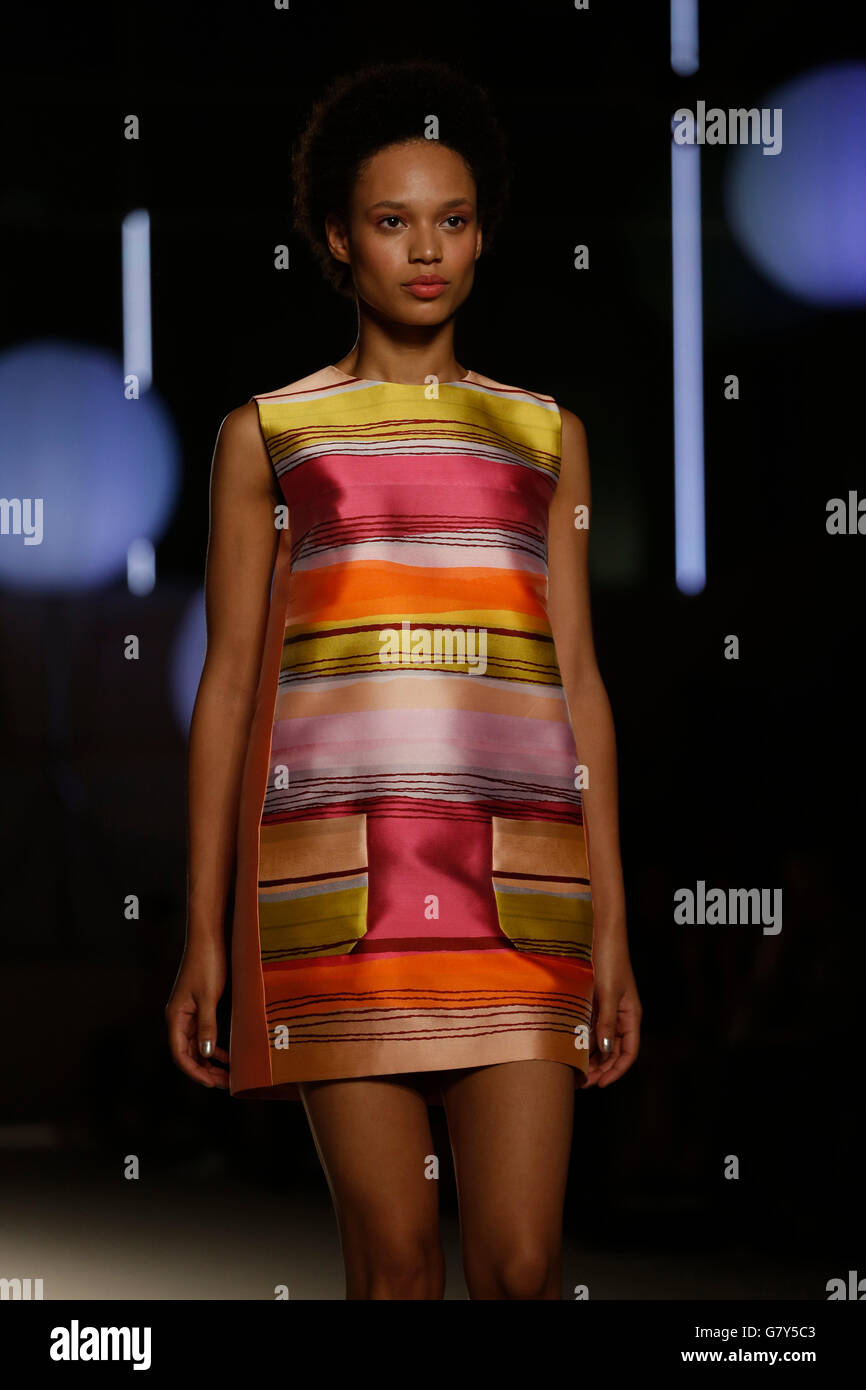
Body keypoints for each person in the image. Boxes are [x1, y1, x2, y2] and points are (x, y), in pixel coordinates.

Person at [167, 59, 641, 1300]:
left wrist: (616, 934)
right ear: (337, 238)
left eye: (451, 218)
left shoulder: (546, 437)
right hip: (335, 887)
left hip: (526, 889)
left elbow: (579, 684)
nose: (424, 250)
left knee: (524, 1269)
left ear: (481, 234)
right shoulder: (270, 436)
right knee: (389, 1270)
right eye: (390, 221)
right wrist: (205, 933)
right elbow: (226, 690)